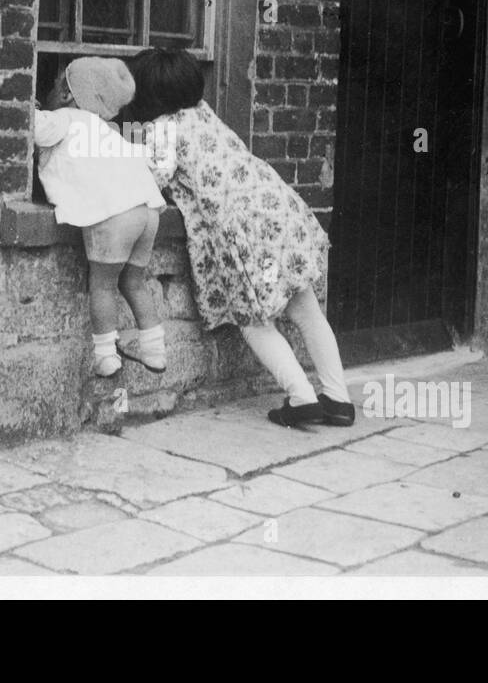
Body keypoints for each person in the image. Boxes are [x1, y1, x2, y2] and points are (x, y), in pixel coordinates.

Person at [127, 47, 356, 427]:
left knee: (252, 320)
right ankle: (338, 398)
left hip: (242, 232)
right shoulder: (205, 114)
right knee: (306, 310)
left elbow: (151, 179)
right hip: (277, 210)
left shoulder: (160, 131)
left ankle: (301, 398)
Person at [34, 57, 168, 378]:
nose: (50, 92)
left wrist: (29, 106)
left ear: (67, 94)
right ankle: (155, 350)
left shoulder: (65, 118)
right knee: (134, 283)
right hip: (148, 211)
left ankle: (106, 355)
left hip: (115, 214)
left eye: (54, 86)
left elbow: (32, 127)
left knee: (103, 285)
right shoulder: (110, 131)